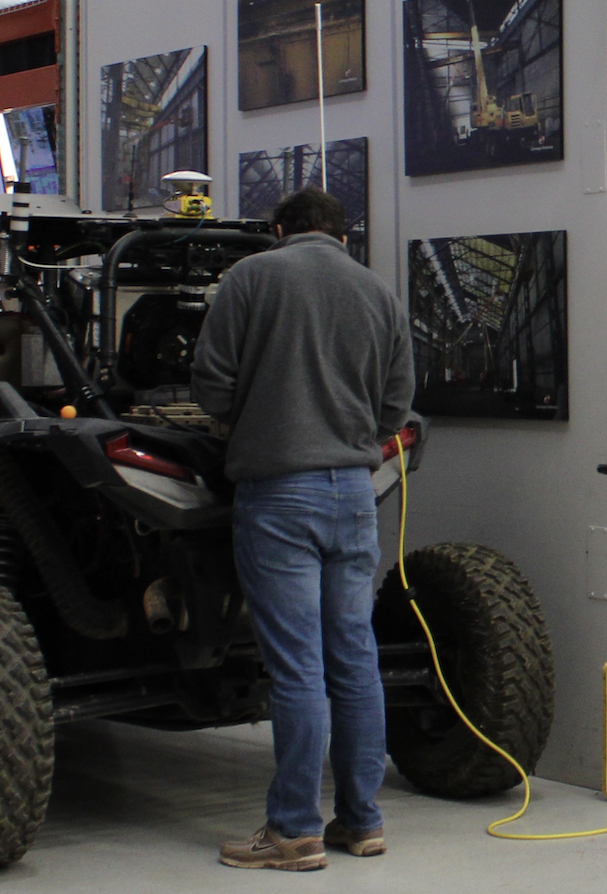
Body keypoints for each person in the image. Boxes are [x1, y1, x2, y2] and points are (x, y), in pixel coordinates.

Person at [191, 188, 412, 872]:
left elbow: (209, 387)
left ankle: (293, 830)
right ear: (343, 235)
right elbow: (398, 402)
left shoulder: (251, 278)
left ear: (279, 230)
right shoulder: (379, 293)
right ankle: (362, 821)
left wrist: (259, 414)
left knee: (297, 670)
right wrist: (349, 436)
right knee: (354, 659)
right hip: (353, 492)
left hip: (279, 494)